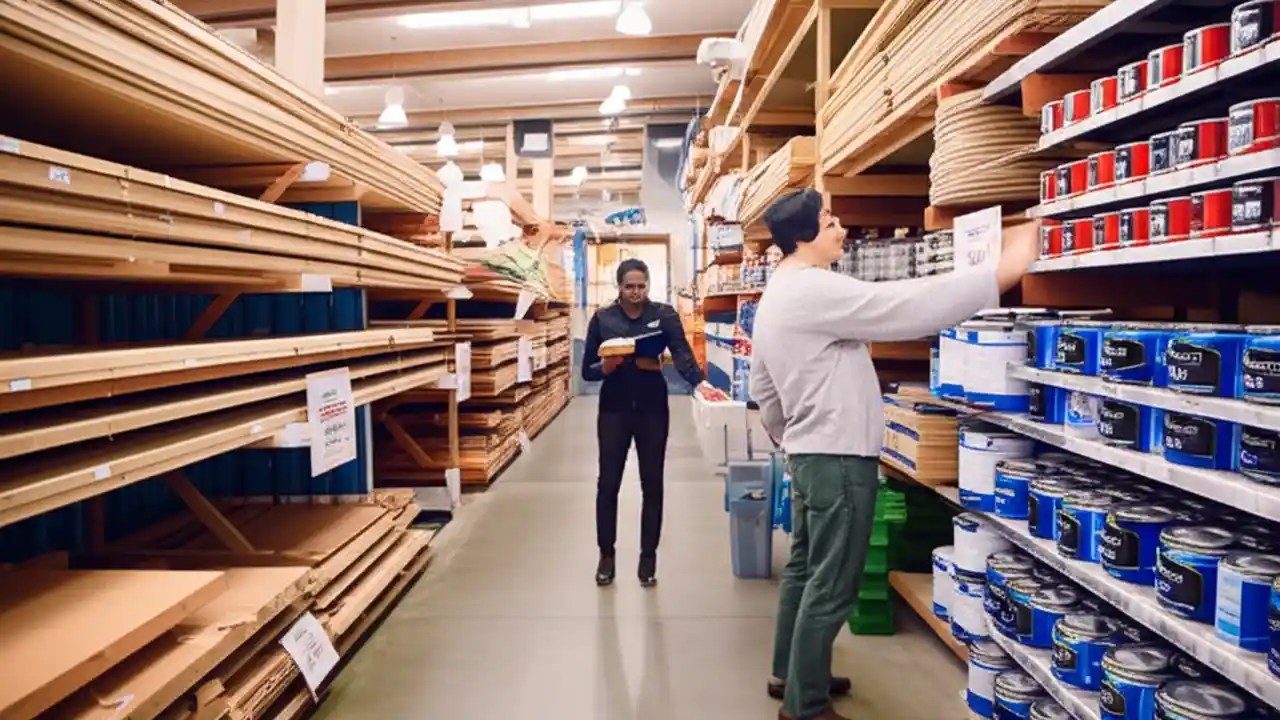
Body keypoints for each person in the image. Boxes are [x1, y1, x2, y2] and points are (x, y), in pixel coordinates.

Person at [750, 189, 1038, 720]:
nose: (841, 229)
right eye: (830, 221)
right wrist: (999, 274)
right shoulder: (813, 289)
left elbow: (763, 390)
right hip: (838, 459)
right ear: (805, 236)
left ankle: (789, 674)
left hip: (812, 455)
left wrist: (792, 441)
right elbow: (904, 309)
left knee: (805, 571)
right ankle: (804, 707)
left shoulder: (777, 294)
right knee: (832, 585)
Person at [581, 258, 704, 587]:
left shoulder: (663, 315)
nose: (635, 292)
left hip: (652, 408)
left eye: (641, 286)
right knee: (608, 484)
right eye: (629, 286)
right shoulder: (603, 319)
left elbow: (681, 352)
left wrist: (700, 383)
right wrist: (605, 369)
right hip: (614, 410)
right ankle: (606, 556)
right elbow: (586, 370)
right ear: (618, 288)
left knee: (653, 483)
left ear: (647, 286)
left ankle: (648, 558)